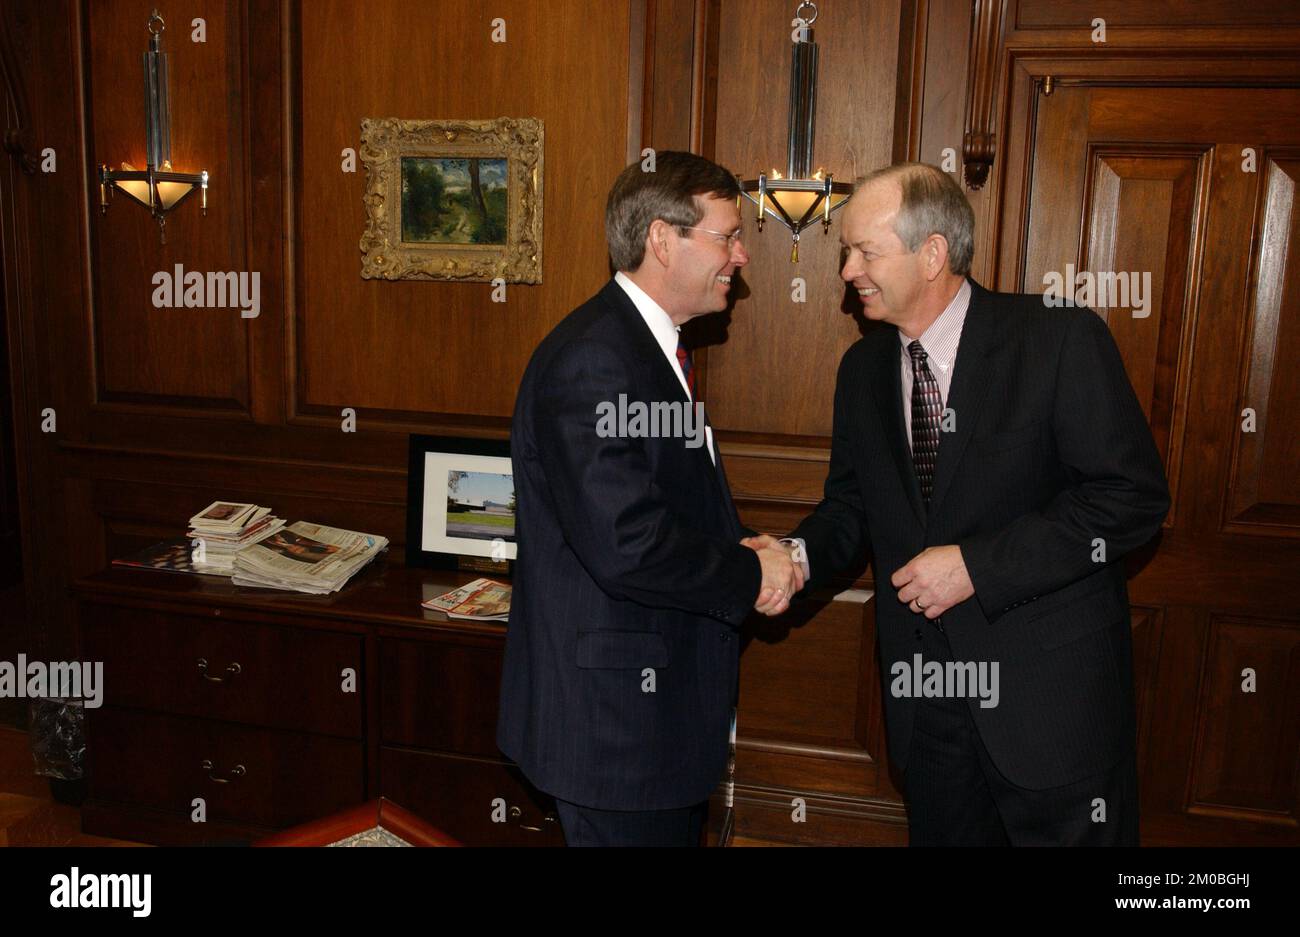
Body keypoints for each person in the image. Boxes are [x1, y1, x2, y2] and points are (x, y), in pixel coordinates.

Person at [747, 162, 1169, 845]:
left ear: (933, 252)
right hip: (928, 710)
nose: (847, 269)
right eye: (846, 251)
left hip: (1050, 708)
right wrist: (795, 555)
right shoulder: (861, 373)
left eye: (864, 250)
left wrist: (979, 564)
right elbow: (852, 508)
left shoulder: (1058, 338)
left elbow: (1132, 498)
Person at [497, 151, 803, 846]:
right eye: (726, 236)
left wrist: (746, 547)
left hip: (648, 727)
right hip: (615, 734)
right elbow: (628, 544)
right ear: (663, 239)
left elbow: (669, 506)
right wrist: (752, 573)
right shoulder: (596, 359)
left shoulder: (647, 349)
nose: (742, 256)